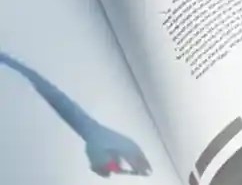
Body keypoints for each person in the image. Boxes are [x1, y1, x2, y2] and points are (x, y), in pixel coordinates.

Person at [1, 51, 151, 177]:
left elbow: (104, 151)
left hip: (75, 117)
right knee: (38, 82)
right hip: (74, 116)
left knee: (39, 83)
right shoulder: (125, 147)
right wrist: (108, 166)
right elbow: (94, 144)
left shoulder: (126, 148)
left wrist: (114, 167)